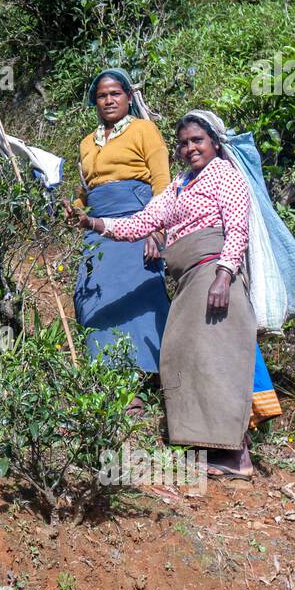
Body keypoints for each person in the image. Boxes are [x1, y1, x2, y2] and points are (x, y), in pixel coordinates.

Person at [80, 110, 261, 479]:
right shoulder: (180, 185)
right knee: (184, 355)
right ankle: (209, 447)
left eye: (197, 140)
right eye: (183, 143)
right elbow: (141, 223)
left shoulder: (224, 174)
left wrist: (224, 276)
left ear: (214, 142)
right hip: (189, 281)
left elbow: (237, 228)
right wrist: (93, 222)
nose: (190, 148)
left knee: (218, 359)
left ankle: (237, 455)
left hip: (213, 273)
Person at [71, 69, 172, 395]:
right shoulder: (88, 142)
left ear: (129, 97)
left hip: (139, 224)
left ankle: (147, 381)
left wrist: (156, 231)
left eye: (116, 93)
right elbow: (86, 191)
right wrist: (74, 208)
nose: (109, 100)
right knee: (94, 296)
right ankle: (111, 383)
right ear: (95, 102)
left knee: (141, 296)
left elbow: (162, 182)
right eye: (102, 95)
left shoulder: (145, 130)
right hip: (98, 232)